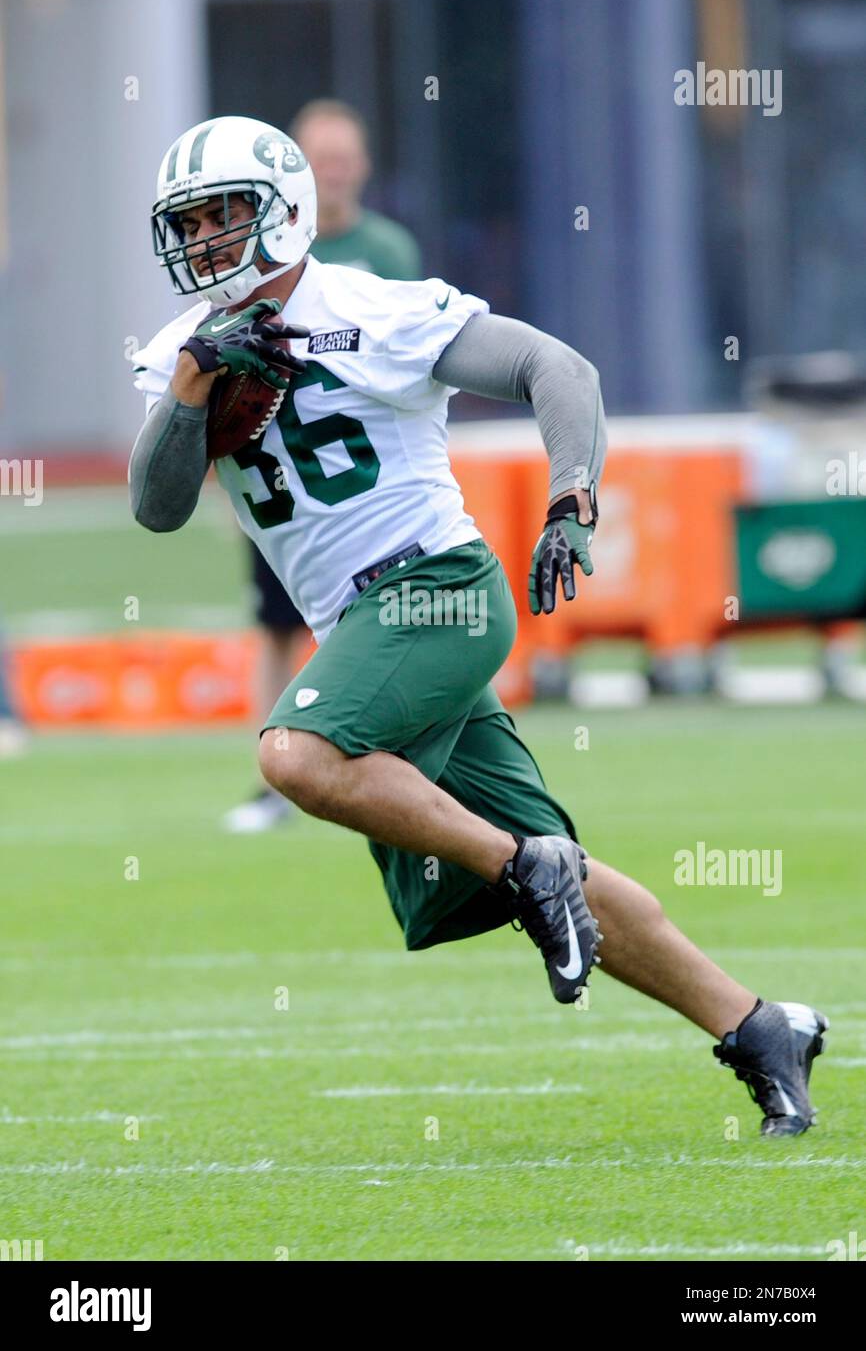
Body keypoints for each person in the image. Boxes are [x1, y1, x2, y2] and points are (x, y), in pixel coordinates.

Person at [129, 116, 828, 1136]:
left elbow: (560, 369)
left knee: (293, 755)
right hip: (362, 626)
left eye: (223, 214)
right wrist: (194, 386)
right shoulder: (178, 351)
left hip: (436, 588)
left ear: (282, 210)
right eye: (188, 222)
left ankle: (518, 867)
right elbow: (155, 504)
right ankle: (758, 1025)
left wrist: (570, 496)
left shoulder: (372, 308)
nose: (204, 240)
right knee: (551, 860)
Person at [225, 99, 422, 833]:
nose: (334, 173)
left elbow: (419, 358)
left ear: (363, 166)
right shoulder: (263, 253)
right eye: (321, 159)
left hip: (369, 481)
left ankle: (392, 772)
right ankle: (273, 780)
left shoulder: (388, 251)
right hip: (281, 473)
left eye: (344, 158)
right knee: (277, 628)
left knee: (394, 620)